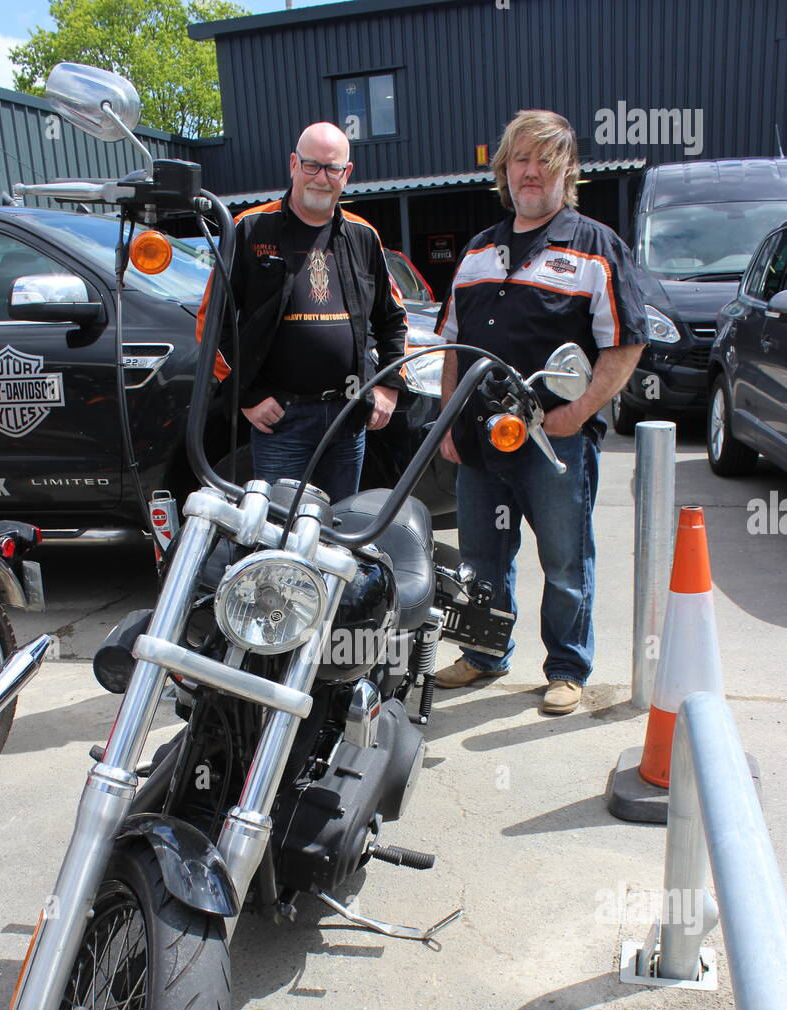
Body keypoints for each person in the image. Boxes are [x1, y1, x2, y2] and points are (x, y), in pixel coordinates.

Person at [435, 110, 647, 714]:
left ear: (567, 172)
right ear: (504, 171)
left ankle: (567, 669)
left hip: (554, 443)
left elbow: (626, 343)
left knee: (564, 559)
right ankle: (482, 656)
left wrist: (579, 411)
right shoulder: (478, 250)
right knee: (481, 559)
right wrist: (450, 419)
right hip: (480, 440)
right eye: (520, 160)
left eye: (545, 162)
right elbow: (452, 341)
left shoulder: (595, 247)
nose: (531, 173)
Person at [196, 123, 407, 504]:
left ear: (347, 174)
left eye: (332, 169)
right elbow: (210, 323)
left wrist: (390, 386)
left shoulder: (363, 236)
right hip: (281, 421)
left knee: (339, 536)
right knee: (282, 536)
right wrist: (247, 394)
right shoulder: (251, 229)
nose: (321, 178)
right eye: (311, 165)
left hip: (347, 418)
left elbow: (393, 319)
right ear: (293, 164)